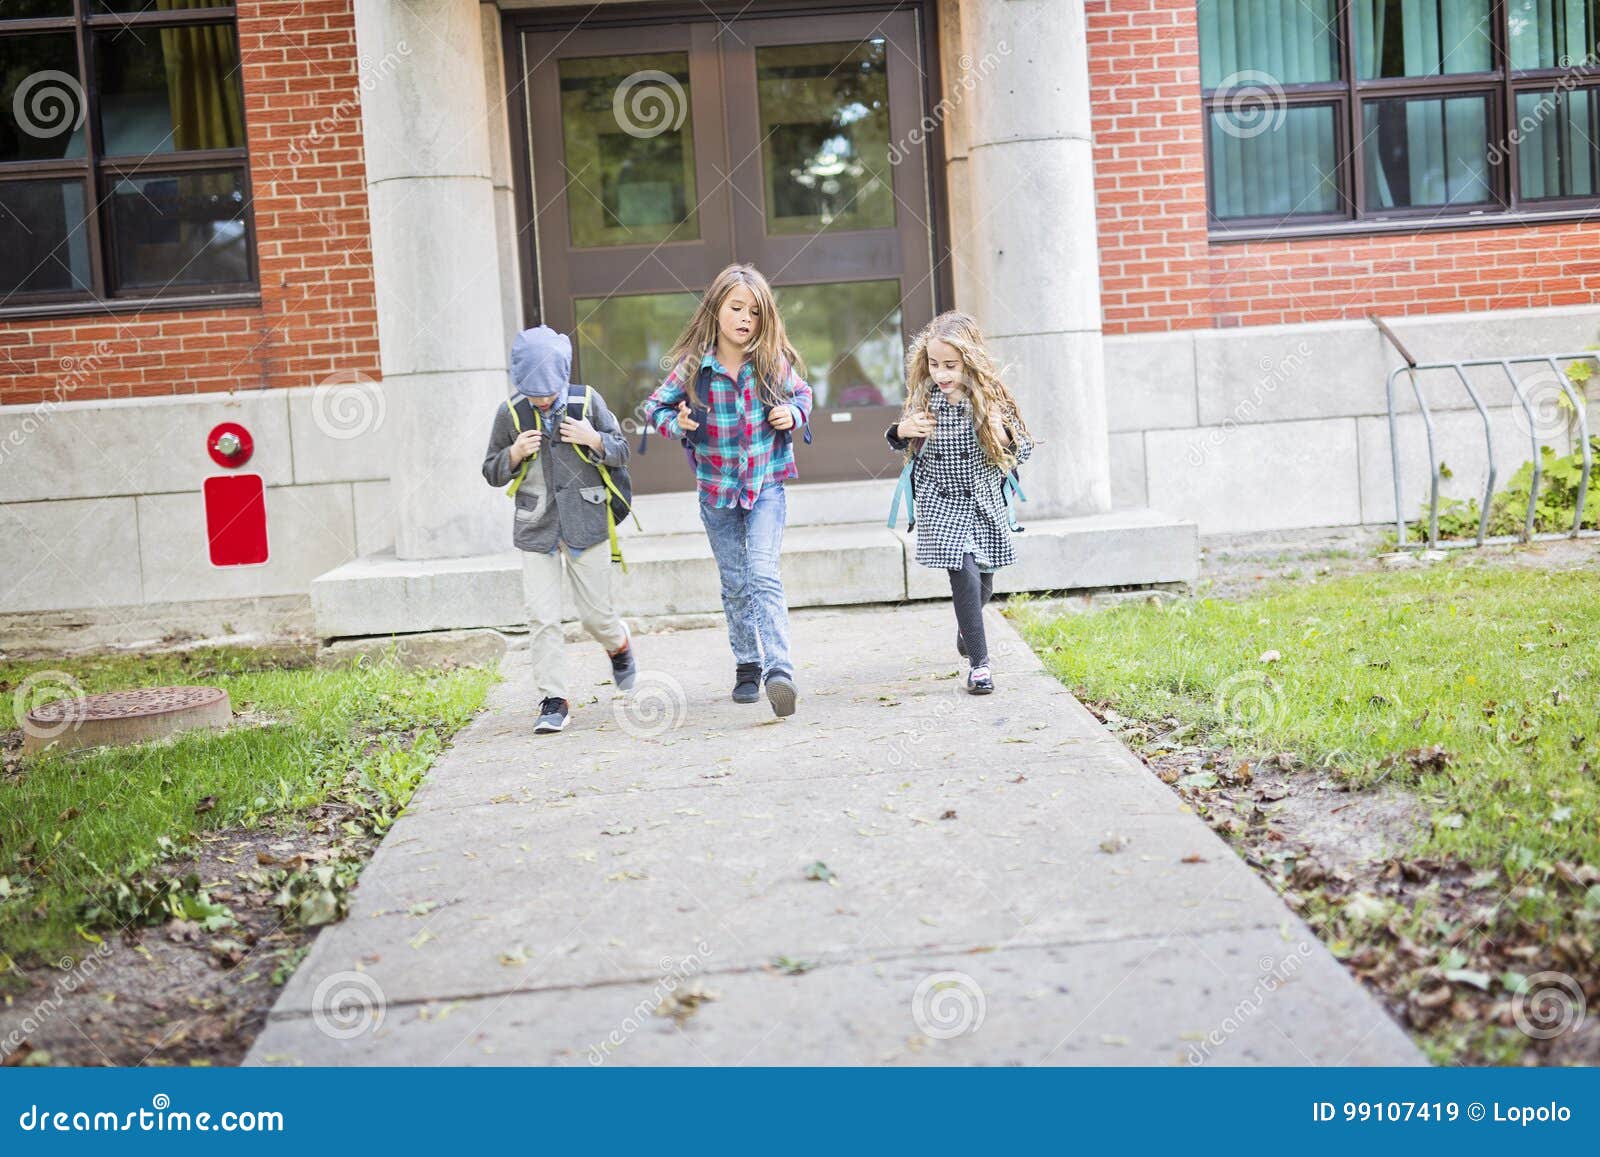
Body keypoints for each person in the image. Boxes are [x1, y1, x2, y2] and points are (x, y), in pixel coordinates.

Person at [644, 264, 813, 717]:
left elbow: (803, 396)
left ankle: (780, 671)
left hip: (766, 488)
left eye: (755, 312)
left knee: (763, 574)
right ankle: (747, 664)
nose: (745, 319)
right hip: (716, 493)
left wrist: (791, 416)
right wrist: (673, 421)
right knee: (736, 582)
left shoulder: (769, 362)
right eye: (736, 308)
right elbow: (653, 408)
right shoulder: (694, 367)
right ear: (716, 310)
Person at [481, 325, 637, 733]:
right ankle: (554, 699)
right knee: (542, 617)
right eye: (535, 392)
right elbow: (491, 471)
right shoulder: (511, 413)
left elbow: (622, 451)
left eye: (549, 391)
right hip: (537, 529)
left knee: (594, 617)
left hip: (587, 523)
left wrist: (594, 440)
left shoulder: (586, 402)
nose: (543, 400)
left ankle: (618, 643)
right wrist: (513, 454)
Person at [887, 312, 1034, 695]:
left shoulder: (993, 398)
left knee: (983, 581)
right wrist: (901, 431)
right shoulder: (925, 396)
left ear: (969, 361)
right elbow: (901, 436)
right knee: (962, 573)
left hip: (983, 499)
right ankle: (980, 665)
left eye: (950, 365)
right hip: (940, 499)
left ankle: (967, 629)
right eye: (934, 364)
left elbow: (1025, 448)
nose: (941, 373)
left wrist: (1004, 435)